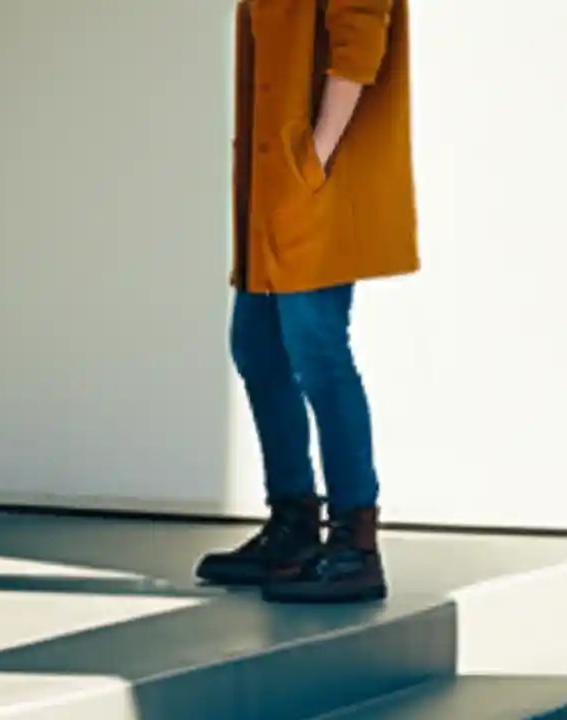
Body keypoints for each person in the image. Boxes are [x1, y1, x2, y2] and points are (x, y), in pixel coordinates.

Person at [195, 0, 418, 603]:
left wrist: (314, 152)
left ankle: (355, 540)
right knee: (258, 344)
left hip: (312, 179)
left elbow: (360, 37)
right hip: (275, 182)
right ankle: (294, 521)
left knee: (316, 348)